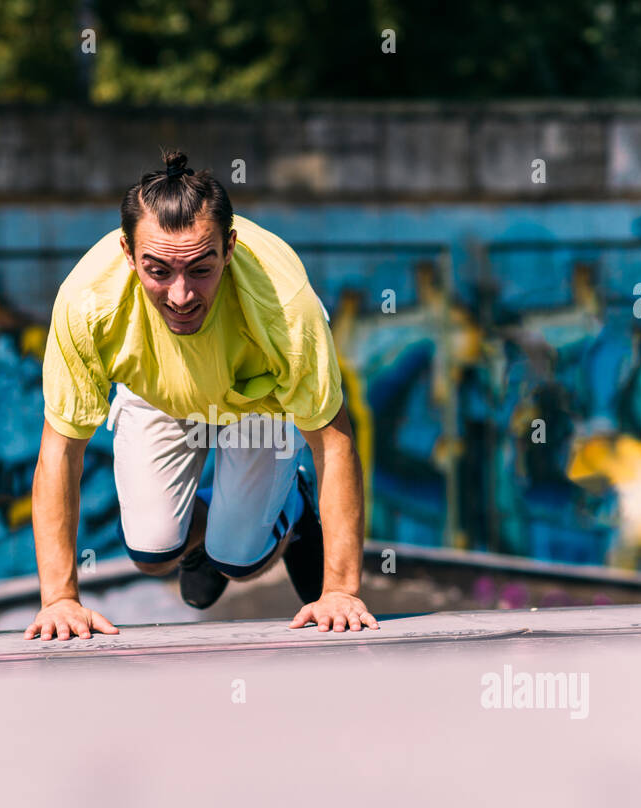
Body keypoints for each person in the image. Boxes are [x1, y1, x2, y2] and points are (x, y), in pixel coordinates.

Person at [25, 149, 379, 640]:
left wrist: (340, 589)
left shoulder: (284, 306)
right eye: (158, 272)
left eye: (200, 269)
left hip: (259, 404)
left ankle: (293, 510)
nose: (181, 295)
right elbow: (60, 453)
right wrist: (60, 599)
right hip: (158, 394)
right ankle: (204, 541)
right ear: (128, 254)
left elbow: (333, 441)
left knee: (239, 558)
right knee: (151, 552)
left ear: (229, 249)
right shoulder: (88, 304)